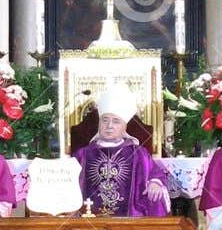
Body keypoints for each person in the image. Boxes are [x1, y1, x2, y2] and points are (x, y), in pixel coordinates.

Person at [71, 86, 171, 216]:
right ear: (99, 124)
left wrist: (155, 183)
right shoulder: (83, 154)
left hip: (130, 220)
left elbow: (156, 173)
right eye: (105, 120)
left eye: (116, 121)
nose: (109, 126)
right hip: (88, 220)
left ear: (124, 127)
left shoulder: (138, 153)